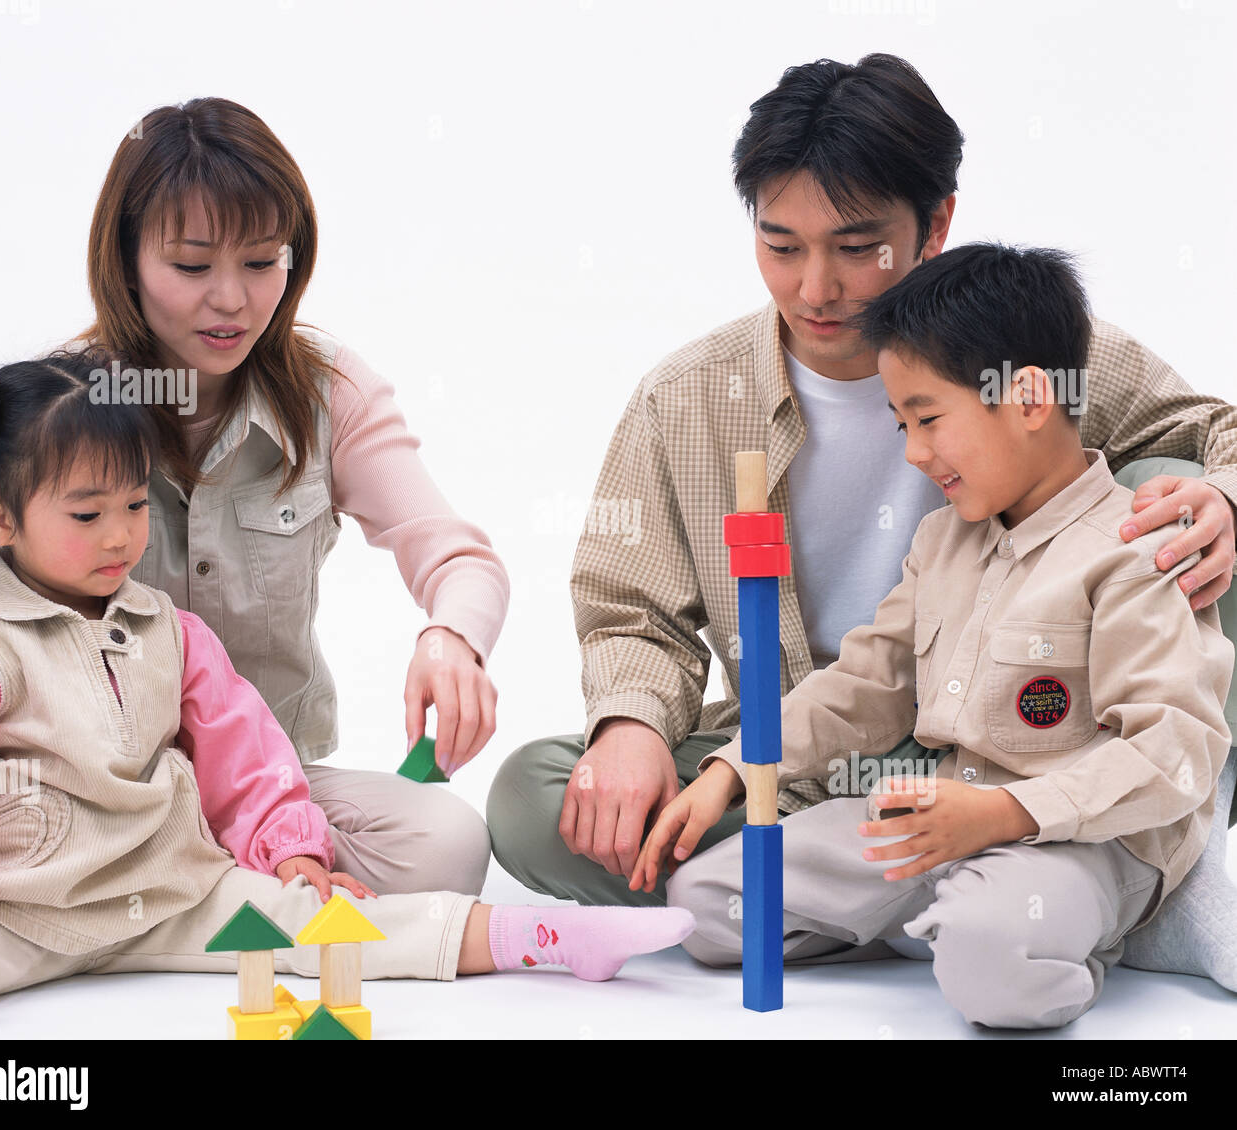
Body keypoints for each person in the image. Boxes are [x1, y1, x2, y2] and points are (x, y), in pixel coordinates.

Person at [486, 53, 1237, 992]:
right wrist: (636, 728)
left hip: (1046, 731)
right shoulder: (686, 398)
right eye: (781, 244)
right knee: (535, 798)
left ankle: (1142, 847)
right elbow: (636, 607)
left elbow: (1215, 427)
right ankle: (968, 901)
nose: (816, 289)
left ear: (937, 225)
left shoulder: (1022, 346)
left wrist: (1226, 496)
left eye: (856, 247)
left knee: (1175, 491)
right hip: (833, 737)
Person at [0, 352, 694, 1019]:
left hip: (175, 893)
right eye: (86, 513)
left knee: (330, 921)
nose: (119, 535)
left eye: (136, 504)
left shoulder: (169, 630)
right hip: (22, 913)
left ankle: (543, 936)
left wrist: (289, 846)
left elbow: (246, 751)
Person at [632, 243, 1231, 1029]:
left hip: (1078, 838)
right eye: (900, 423)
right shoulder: (944, 541)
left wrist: (1006, 816)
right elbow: (864, 683)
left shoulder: (1133, 548)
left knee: (996, 974)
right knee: (709, 908)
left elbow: (1174, 750)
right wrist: (735, 767)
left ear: (1027, 400)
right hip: (944, 814)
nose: (914, 453)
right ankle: (954, 924)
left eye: (928, 420)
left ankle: (1075, 929)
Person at [0, 97, 505, 898]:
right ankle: (194, 894)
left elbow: (456, 554)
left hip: (265, 792)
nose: (232, 300)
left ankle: (196, 890)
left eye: (260, 261)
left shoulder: (329, 392)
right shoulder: (53, 412)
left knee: (444, 843)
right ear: (126, 257)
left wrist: (453, 640)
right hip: (84, 804)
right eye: (191, 265)